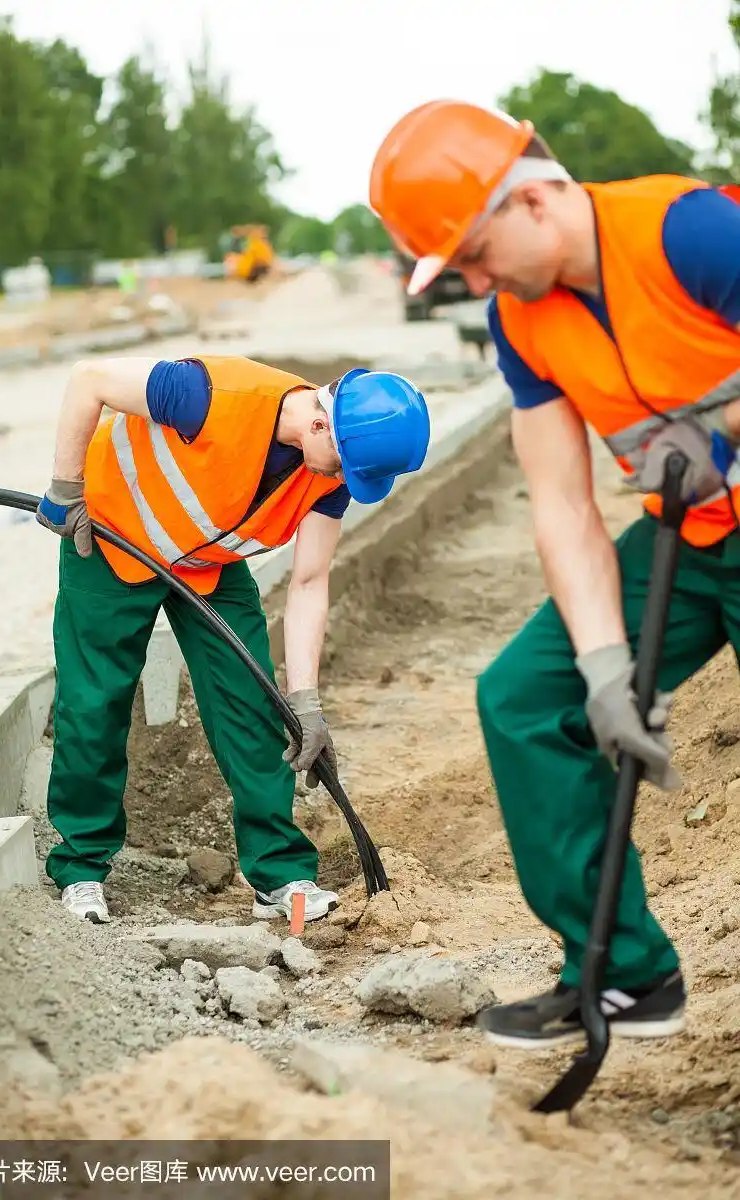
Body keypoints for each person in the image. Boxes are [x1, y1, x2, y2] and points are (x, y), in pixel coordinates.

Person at [369, 100, 740, 1048]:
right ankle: (622, 975)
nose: (474, 280)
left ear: (533, 200)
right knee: (527, 698)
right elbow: (562, 505)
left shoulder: (690, 232)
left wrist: (722, 433)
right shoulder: (521, 319)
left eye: (473, 254)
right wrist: (607, 670)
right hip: (695, 540)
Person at [36, 354, 430, 925]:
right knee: (94, 703)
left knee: (251, 703)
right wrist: (66, 487)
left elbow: (310, 581)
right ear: (321, 424)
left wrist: (306, 701)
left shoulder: (329, 476)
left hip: (207, 562)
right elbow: (88, 379)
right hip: (107, 536)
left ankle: (279, 874)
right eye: (345, 466)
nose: (344, 479)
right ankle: (81, 869)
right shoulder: (206, 395)